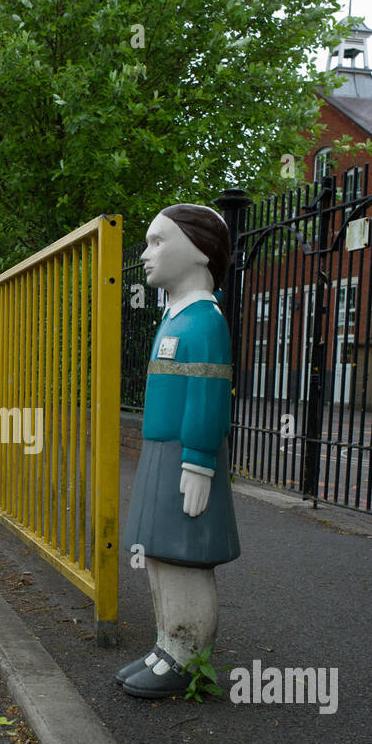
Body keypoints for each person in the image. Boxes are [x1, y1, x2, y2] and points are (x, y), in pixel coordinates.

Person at [117, 203, 241, 699]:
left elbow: (209, 398)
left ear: (198, 252)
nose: (146, 254)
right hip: (160, 452)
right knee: (159, 554)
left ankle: (188, 657)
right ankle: (166, 645)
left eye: (157, 241)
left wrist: (200, 461)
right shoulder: (174, 318)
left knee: (185, 558)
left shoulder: (204, 323)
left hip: (185, 458)